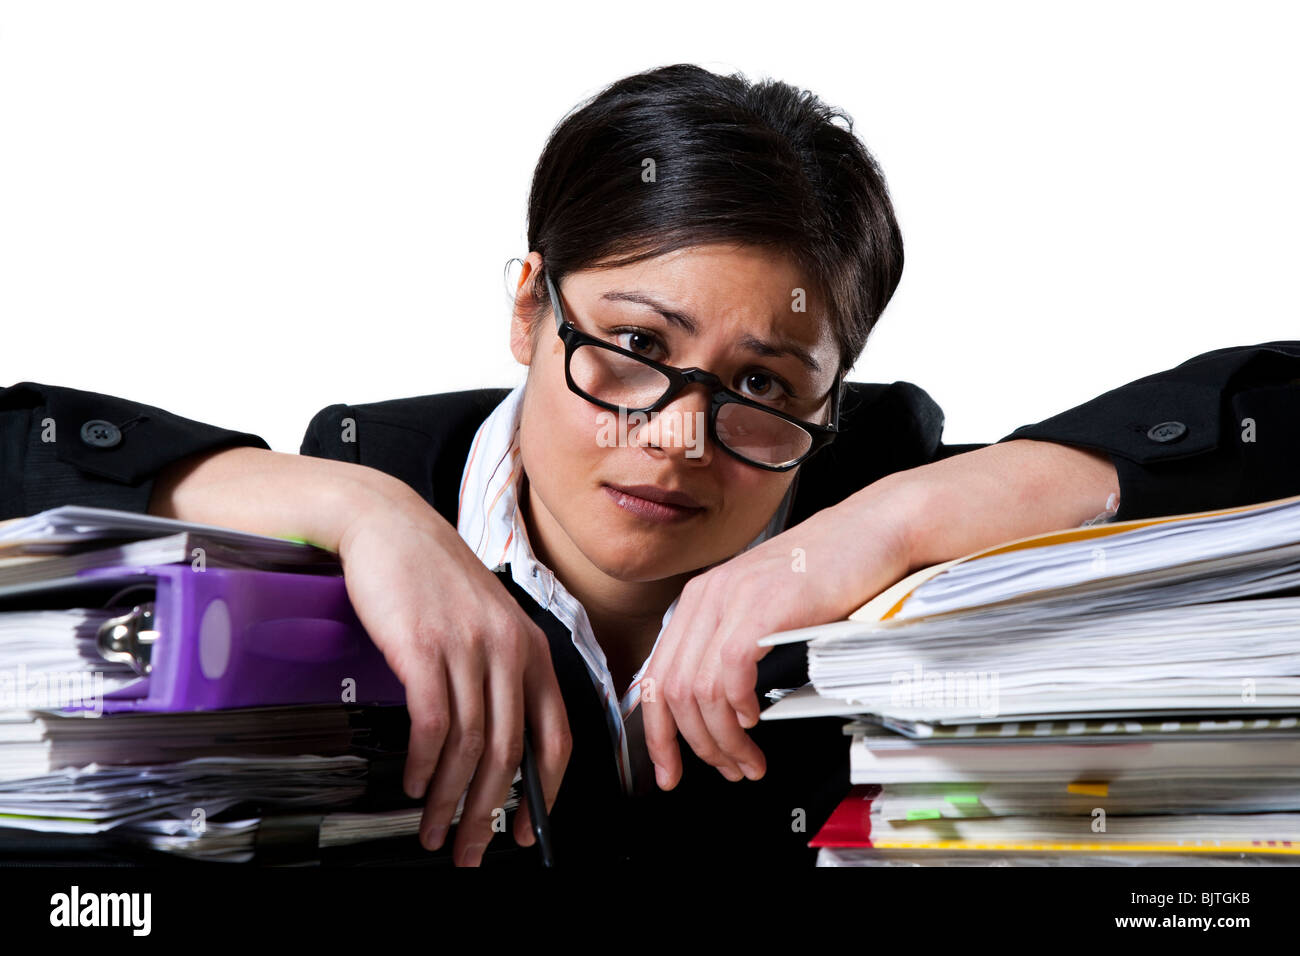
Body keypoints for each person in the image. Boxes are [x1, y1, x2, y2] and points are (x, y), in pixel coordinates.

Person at [4, 63, 1299, 867]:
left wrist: (906, 517)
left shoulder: (899, 518)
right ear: (528, 309)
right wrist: (351, 508)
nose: (677, 437)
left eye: (762, 388)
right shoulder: (351, 505)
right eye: (628, 348)